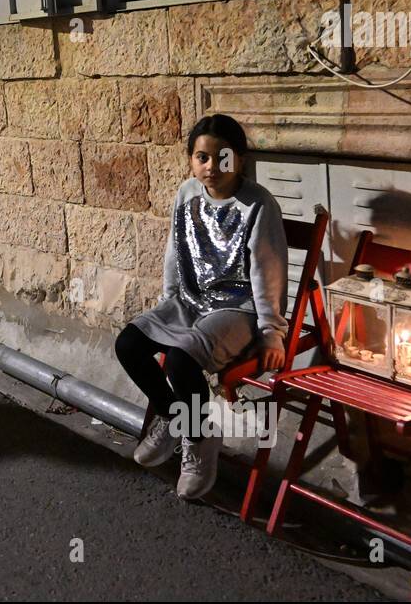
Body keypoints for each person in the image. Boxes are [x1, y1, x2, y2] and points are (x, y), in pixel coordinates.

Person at [115, 113, 288, 501]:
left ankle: (199, 435)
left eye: (221, 157)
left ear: (240, 159)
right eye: (201, 157)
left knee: (180, 360)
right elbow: (175, 250)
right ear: (191, 159)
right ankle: (171, 415)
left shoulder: (258, 205)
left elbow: (267, 269)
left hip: (238, 308)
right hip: (191, 299)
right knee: (129, 344)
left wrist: (272, 332)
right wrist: (167, 302)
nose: (211, 167)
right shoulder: (187, 193)